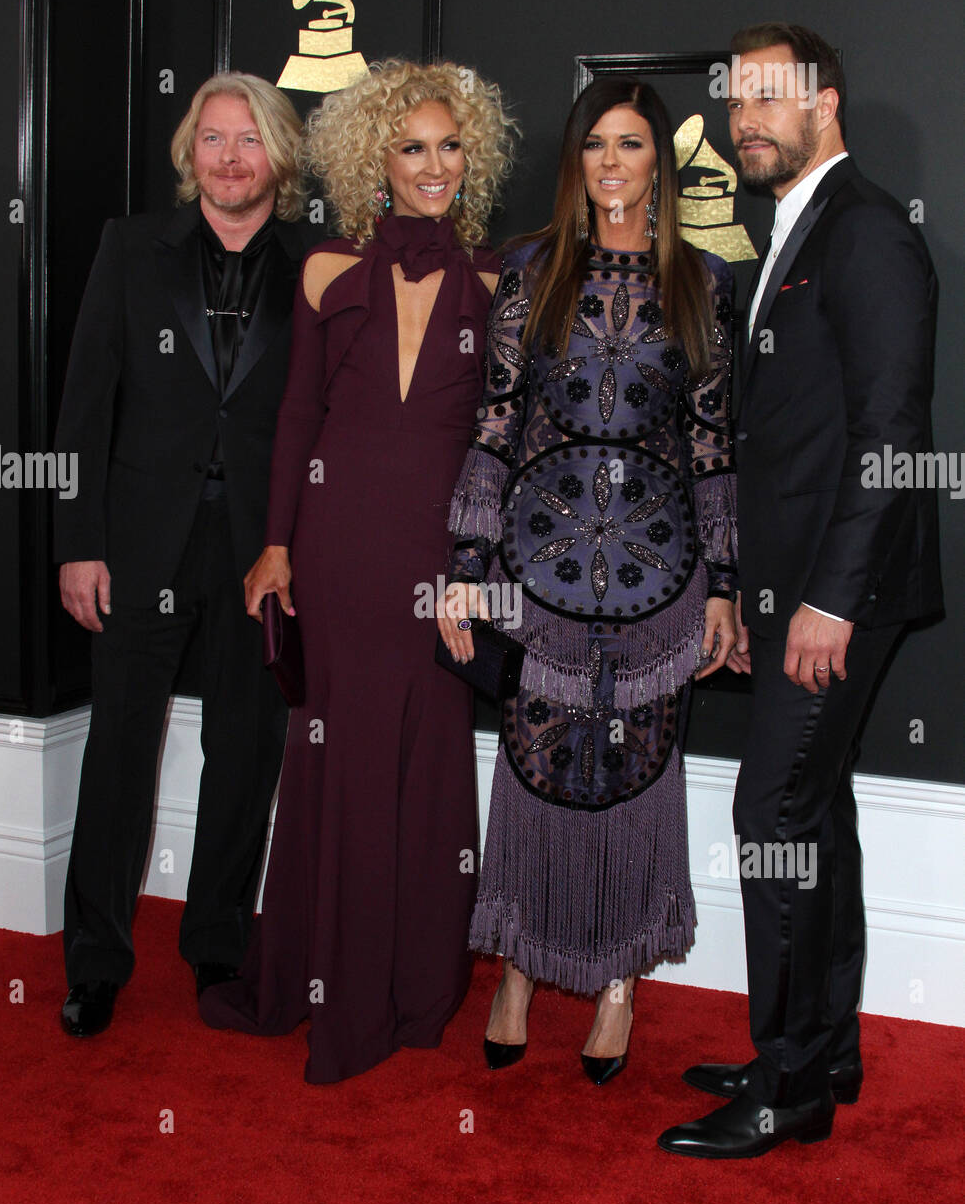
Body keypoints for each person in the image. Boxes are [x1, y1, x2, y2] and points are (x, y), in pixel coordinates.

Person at [199, 60, 515, 1083]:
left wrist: (481, 566)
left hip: (437, 556)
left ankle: (413, 990)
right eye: (411, 147)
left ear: (473, 159)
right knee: (332, 755)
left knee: (424, 761)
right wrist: (280, 540)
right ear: (375, 158)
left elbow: (505, 442)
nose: (432, 165)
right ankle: (319, 977)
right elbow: (297, 413)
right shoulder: (326, 269)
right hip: (337, 544)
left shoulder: (502, 282)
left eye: (449, 146)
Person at [659, 23, 943, 1158]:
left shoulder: (866, 233)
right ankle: (819, 1048)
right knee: (814, 813)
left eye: (768, 100)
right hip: (794, 588)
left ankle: (787, 1089)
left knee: (770, 816)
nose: (744, 123)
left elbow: (891, 436)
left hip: (838, 594)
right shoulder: (794, 226)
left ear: (825, 102)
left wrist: (824, 600)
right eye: (734, 107)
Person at [438, 76, 737, 1084]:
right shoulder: (531, 272)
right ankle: (519, 965)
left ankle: (618, 984)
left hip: (662, 579)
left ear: (660, 163)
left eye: (633, 145)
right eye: (597, 146)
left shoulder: (701, 282)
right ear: (578, 163)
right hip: (542, 567)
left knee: (638, 784)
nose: (613, 163)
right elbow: (495, 421)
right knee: (532, 776)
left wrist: (728, 587)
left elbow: (710, 445)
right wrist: (465, 569)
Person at [54, 73, 311, 1036]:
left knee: (246, 750)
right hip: (138, 542)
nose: (230, 156)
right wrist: (79, 543)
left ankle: (216, 949)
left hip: (261, 550)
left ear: (277, 154)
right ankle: (94, 961)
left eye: (249, 139)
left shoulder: (315, 265)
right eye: (212, 138)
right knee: (118, 751)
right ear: (188, 153)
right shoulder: (130, 249)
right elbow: (83, 408)